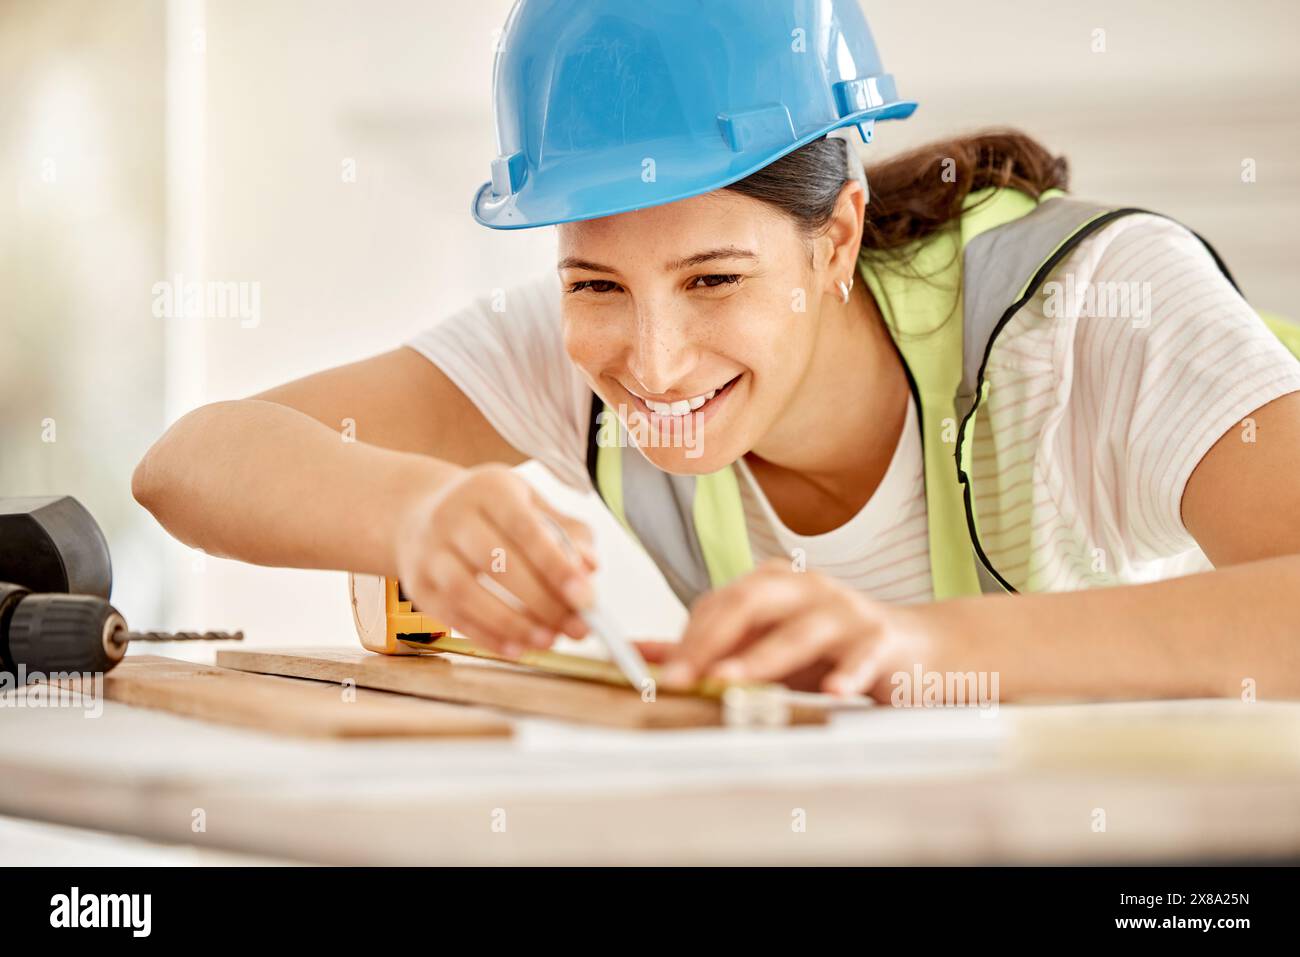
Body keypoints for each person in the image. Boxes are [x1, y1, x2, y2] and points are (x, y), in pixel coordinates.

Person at [134, 0, 1300, 702]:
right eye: (595, 282)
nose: (651, 359)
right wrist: (411, 515)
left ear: (833, 237)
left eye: (714, 281)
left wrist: (918, 645)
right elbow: (190, 463)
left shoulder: (1089, 310)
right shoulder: (571, 351)